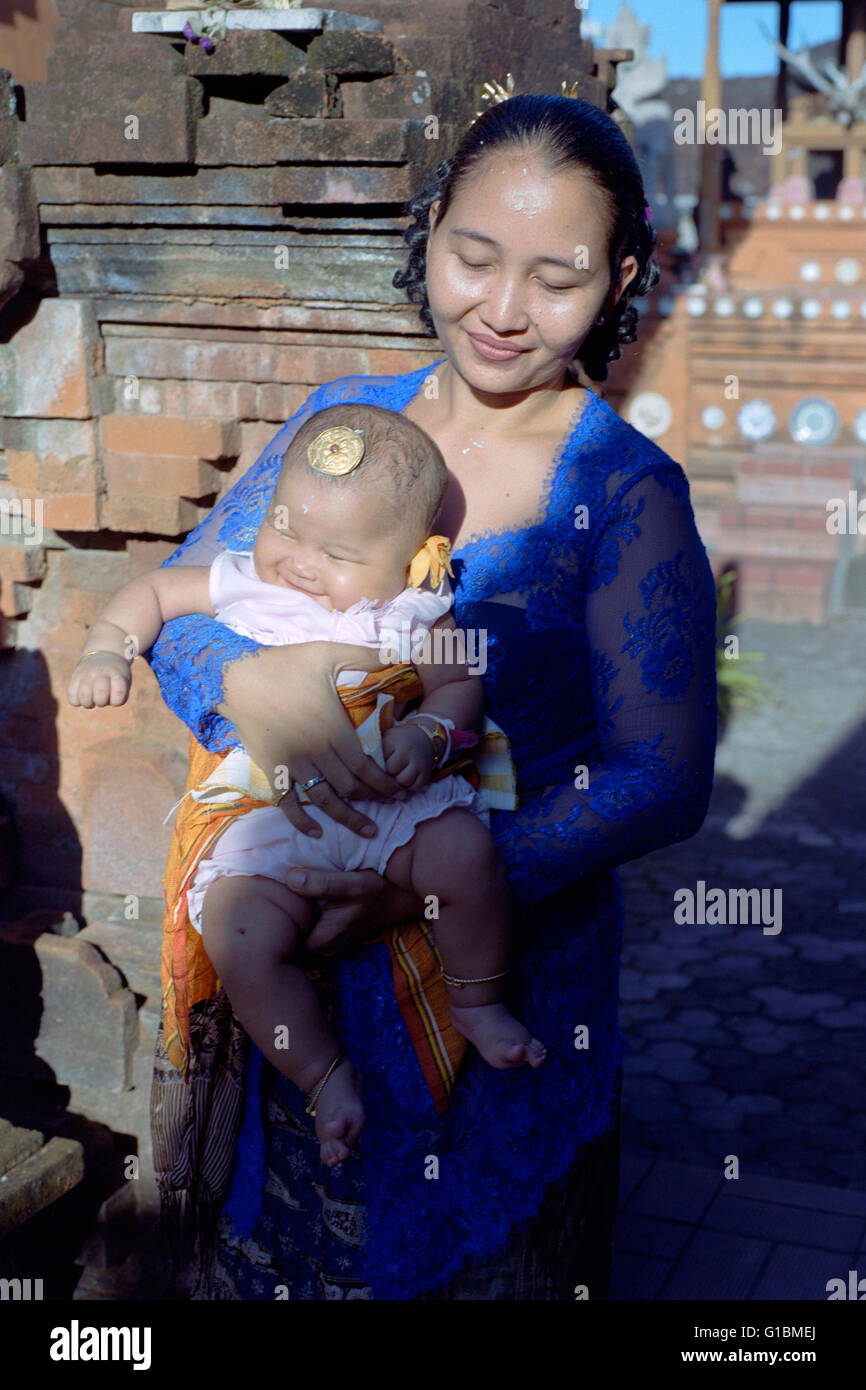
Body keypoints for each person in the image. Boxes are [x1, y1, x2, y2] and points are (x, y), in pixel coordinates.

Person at [145, 93, 718, 1300]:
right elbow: (185, 598)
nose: (503, 311)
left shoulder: (620, 489)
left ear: (618, 279)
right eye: (473, 256)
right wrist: (238, 682)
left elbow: (661, 775)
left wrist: (428, 877)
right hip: (288, 986)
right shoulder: (345, 422)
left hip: (489, 1007)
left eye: (556, 276)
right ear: (430, 228)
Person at [67, 404, 545, 1168]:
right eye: (286, 527)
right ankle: (323, 1076)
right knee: (238, 932)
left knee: (467, 859)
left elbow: (461, 690)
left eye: (338, 551)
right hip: (267, 815)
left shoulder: (416, 612)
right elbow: (155, 594)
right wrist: (107, 649)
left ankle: (479, 1000)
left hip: (392, 808)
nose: (298, 560)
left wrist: (427, 735)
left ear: (412, 559)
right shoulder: (248, 585)